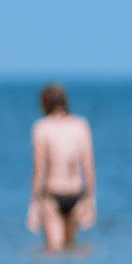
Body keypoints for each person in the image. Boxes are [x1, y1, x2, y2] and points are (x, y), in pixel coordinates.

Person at [29, 81, 95, 252]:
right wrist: (90, 200)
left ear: (43, 104)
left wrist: (34, 204)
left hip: (52, 194)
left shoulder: (41, 127)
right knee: (70, 249)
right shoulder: (80, 125)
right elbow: (88, 166)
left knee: (53, 251)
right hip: (77, 193)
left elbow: (39, 168)